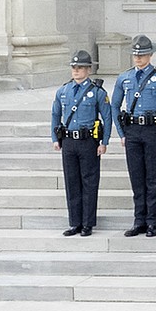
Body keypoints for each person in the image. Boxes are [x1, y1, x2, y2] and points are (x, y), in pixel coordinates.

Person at [111, 35, 156, 237]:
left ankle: (152, 221)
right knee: (136, 177)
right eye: (135, 54)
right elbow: (114, 105)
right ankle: (139, 220)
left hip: (153, 131)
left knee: (152, 178)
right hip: (132, 130)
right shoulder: (124, 77)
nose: (138, 58)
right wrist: (121, 132)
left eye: (142, 55)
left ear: (150, 55)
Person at [51, 50, 112, 236]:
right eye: (74, 67)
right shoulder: (63, 91)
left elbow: (107, 118)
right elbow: (55, 114)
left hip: (88, 142)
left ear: (88, 69)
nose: (76, 71)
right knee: (72, 182)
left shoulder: (97, 92)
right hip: (69, 140)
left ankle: (87, 223)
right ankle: (75, 222)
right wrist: (55, 138)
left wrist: (104, 141)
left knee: (89, 182)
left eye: (80, 68)